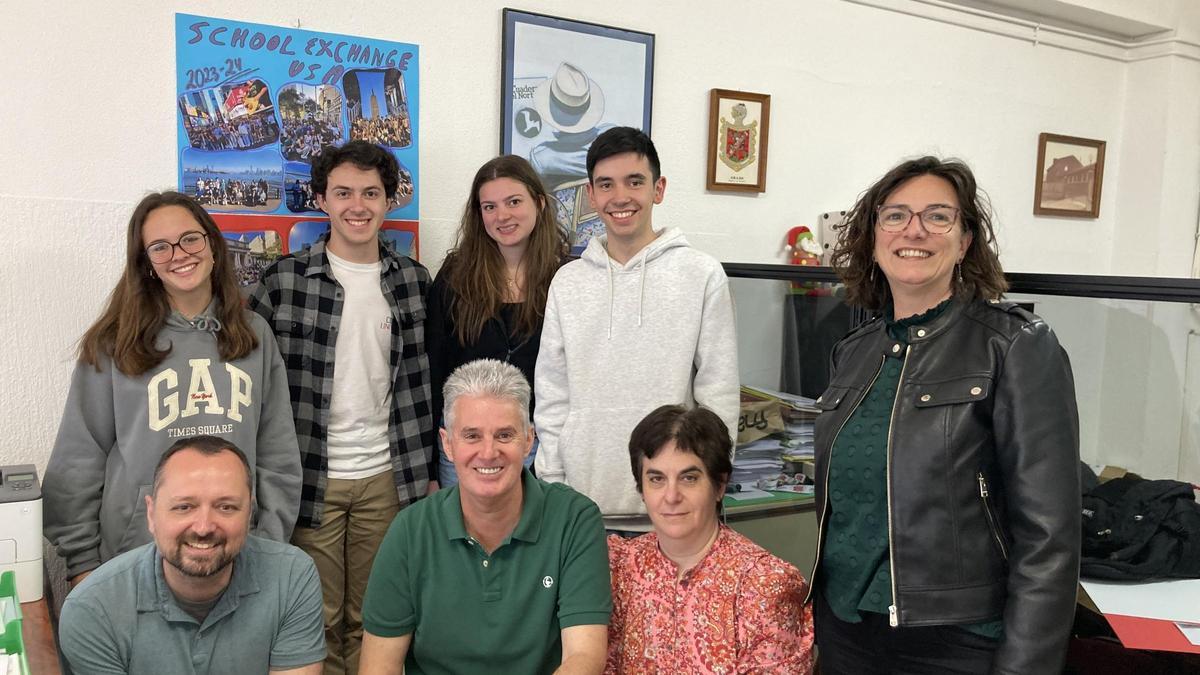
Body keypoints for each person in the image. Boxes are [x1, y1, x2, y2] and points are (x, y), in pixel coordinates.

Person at [811, 156, 1080, 674]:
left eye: (938, 216)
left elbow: (1050, 540)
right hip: (846, 631)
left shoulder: (1014, 346)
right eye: (895, 216)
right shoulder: (855, 351)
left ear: (964, 242)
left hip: (955, 641)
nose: (914, 230)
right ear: (872, 237)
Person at [43, 191, 301, 589]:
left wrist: (267, 542)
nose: (179, 254)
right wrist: (82, 564)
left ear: (212, 245)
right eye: (159, 247)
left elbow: (277, 450)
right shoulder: (113, 343)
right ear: (145, 264)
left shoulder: (254, 336)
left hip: (236, 557)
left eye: (190, 239)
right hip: (133, 560)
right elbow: (79, 458)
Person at [249, 140, 435, 675]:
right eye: (344, 192)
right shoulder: (283, 280)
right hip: (310, 476)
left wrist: (427, 474)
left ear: (388, 200)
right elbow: (254, 384)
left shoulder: (413, 282)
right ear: (321, 199)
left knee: (378, 616)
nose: (358, 205)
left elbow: (423, 382)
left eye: (371, 193)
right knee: (316, 617)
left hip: (388, 475)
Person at [534, 126, 739, 531]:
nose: (620, 197)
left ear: (658, 189)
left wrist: (707, 487)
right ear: (591, 195)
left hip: (674, 510)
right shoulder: (568, 283)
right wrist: (555, 486)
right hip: (581, 509)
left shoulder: (701, 274)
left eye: (635, 181)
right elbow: (552, 395)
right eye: (606, 184)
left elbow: (719, 392)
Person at [360, 359, 610, 675]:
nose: (488, 452)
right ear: (447, 444)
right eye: (472, 436)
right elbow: (379, 666)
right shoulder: (410, 531)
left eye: (504, 435)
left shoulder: (575, 520)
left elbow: (584, 658)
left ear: (529, 441)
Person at [58, 436, 325, 675]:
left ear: (249, 514)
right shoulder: (93, 609)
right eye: (184, 507)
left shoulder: (292, 578)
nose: (204, 527)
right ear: (151, 514)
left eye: (226, 507)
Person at [606, 405, 814, 674]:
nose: (671, 496)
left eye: (689, 478)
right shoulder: (619, 568)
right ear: (641, 489)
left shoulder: (764, 583)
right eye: (656, 479)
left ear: (719, 486)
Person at [426, 154, 568, 487]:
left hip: (542, 447)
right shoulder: (455, 276)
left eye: (513, 201)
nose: (502, 215)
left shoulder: (567, 277)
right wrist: (432, 467)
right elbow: (434, 368)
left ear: (540, 203)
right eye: (489, 207)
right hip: (465, 448)